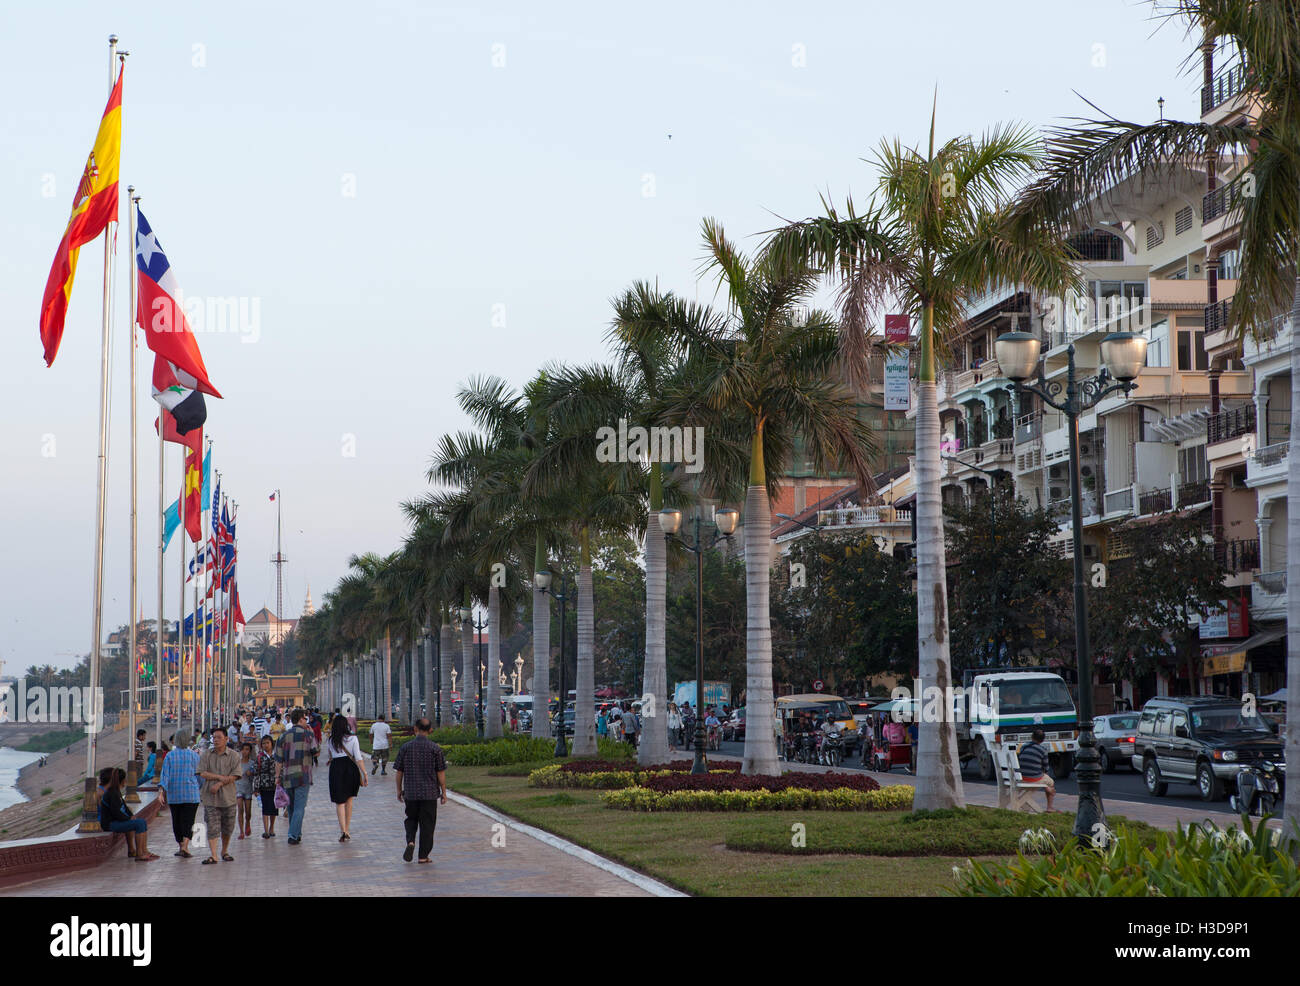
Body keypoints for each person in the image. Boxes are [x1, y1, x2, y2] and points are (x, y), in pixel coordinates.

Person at [393, 717, 447, 864]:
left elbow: (399, 772)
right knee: (427, 825)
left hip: (411, 792)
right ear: (430, 730)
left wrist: (399, 790)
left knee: (411, 819)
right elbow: (440, 772)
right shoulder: (435, 748)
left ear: (415, 729)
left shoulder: (406, 747)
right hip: (429, 794)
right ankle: (423, 856)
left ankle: (411, 841)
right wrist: (444, 792)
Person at [273, 708, 319, 845]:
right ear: (300, 719)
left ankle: (297, 833)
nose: (307, 721)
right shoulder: (308, 735)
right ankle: (293, 835)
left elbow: (278, 760)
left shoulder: (283, 736)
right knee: (299, 807)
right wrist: (312, 734)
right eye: (305, 718)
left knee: (292, 807)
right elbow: (316, 752)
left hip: (288, 776)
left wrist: (277, 777)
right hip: (303, 776)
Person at [197, 726, 242, 864]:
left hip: (228, 797)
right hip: (210, 797)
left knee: (228, 826)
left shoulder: (233, 755)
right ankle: (213, 854)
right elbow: (202, 772)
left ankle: (225, 850)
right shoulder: (206, 755)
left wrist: (220, 783)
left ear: (226, 739)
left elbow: (236, 775)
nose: (216, 740)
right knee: (212, 825)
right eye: (214, 738)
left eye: (219, 737)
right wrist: (219, 777)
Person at [157, 730, 201, 858]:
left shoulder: (170, 756)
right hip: (191, 795)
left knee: (176, 821)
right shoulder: (194, 756)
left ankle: (181, 846)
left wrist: (161, 792)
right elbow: (200, 776)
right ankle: (185, 846)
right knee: (189, 821)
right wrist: (198, 788)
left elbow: (165, 775)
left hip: (174, 795)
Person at [323, 713, 367, 841]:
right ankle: (347, 829)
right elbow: (358, 758)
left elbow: (331, 755)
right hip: (350, 769)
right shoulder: (353, 739)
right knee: (349, 800)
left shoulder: (331, 740)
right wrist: (364, 773)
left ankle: (342, 830)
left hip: (336, 768)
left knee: (339, 802)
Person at [100, 768, 158, 861]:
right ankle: (139, 854)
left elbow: (124, 807)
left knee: (142, 822)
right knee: (139, 824)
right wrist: (128, 819)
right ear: (122, 781)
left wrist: (131, 815)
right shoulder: (112, 793)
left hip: (116, 821)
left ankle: (144, 851)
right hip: (110, 824)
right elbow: (116, 812)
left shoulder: (116, 792)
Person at [1017, 729, 1057, 812]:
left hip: (1020, 777)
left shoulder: (1024, 747)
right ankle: (1049, 807)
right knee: (1050, 781)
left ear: (1032, 737)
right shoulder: (1043, 750)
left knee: (1045, 779)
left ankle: (1024, 806)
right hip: (1033, 779)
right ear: (1042, 740)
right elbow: (1046, 768)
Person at [254, 734, 278, 838]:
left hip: (275, 786)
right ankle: (266, 830)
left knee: (274, 808)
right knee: (265, 808)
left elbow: (281, 771)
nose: (266, 745)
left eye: (267, 743)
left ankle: (271, 828)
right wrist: (256, 788)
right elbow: (256, 773)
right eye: (263, 743)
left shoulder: (277, 756)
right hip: (263, 786)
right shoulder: (259, 757)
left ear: (272, 744)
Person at [235, 742, 256, 839]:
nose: (244, 752)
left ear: (250, 751)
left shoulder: (252, 763)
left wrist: (251, 773)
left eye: (247, 749)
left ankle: (247, 823)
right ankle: (241, 831)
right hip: (238, 788)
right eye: (243, 749)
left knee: (248, 811)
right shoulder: (237, 763)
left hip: (248, 789)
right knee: (240, 809)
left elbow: (255, 776)